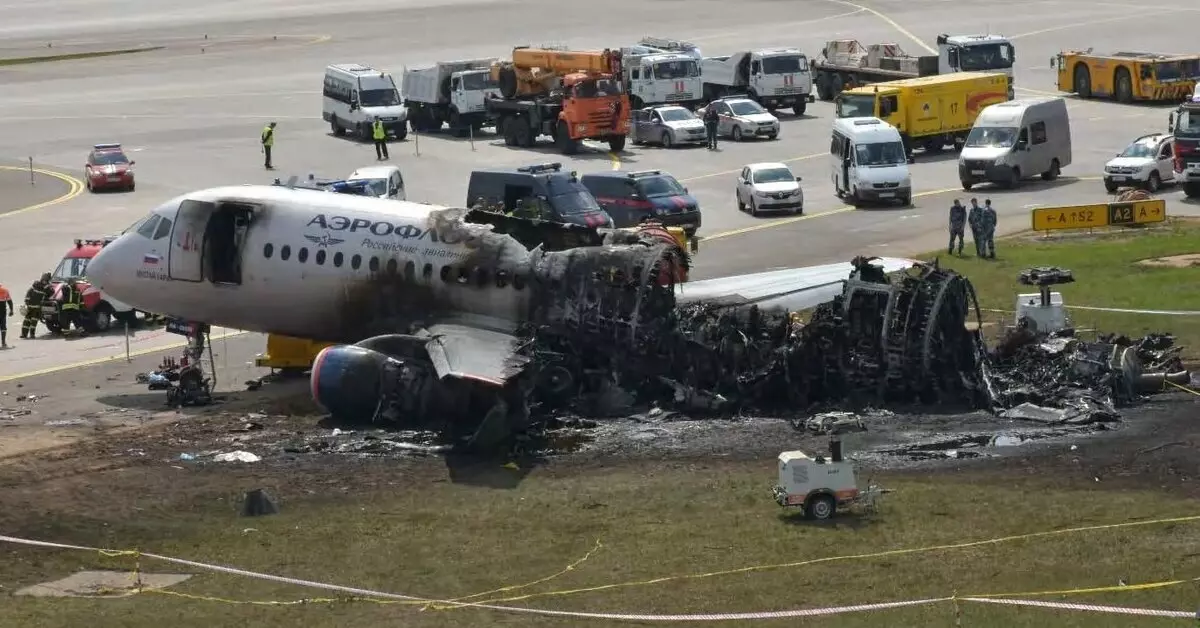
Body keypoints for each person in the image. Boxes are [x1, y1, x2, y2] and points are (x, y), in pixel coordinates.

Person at [20, 274, 49, 339]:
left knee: (34, 322)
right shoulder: (37, 286)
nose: (44, 282)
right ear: (42, 280)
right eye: (44, 280)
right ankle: (24, 334)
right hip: (31, 307)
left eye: (46, 281)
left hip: (37, 308)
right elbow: (29, 293)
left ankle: (31, 334)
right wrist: (26, 302)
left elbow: (50, 293)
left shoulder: (44, 288)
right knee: (27, 321)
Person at [0, 282, 11, 347]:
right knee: (3, 327)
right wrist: (11, 310)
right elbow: (10, 301)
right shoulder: (5, 291)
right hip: (2, 312)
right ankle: (3, 343)